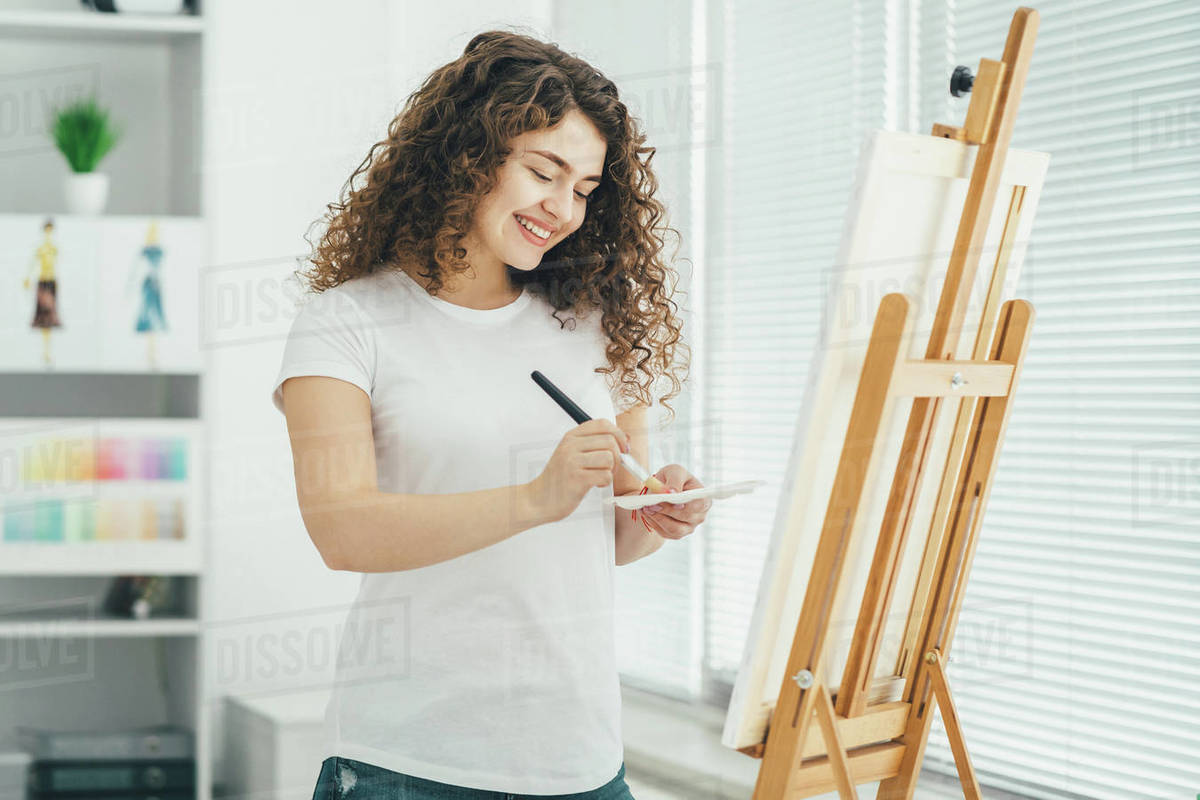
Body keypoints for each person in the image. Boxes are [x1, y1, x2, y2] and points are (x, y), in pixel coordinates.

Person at [272, 29, 711, 800]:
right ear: (468, 156)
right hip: (408, 762)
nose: (563, 208)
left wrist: (657, 510)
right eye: (543, 172)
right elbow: (341, 529)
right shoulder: (347, 324)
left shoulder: (594, 325)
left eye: (584, 188)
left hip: (582, 761)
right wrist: (535, 499)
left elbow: (608, 542)